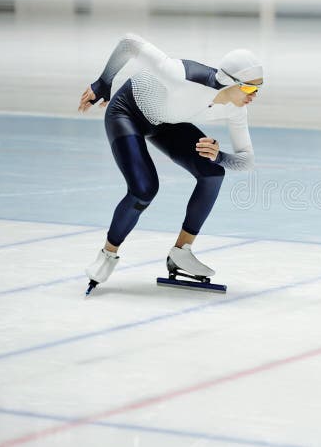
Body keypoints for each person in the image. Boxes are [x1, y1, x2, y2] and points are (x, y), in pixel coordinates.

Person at [78, 33, 262, 293]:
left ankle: (181, 252)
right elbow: (129, 43)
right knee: (144, 188)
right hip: (127, 113)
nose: (254, 95)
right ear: (229, 81)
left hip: (166, 122)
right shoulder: (181, 74)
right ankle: (107, 255)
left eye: (259, 88)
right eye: (249, 87)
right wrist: (103, 82)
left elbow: (247, 162)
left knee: (212, 173)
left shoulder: (236, 109)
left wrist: (219, 156)